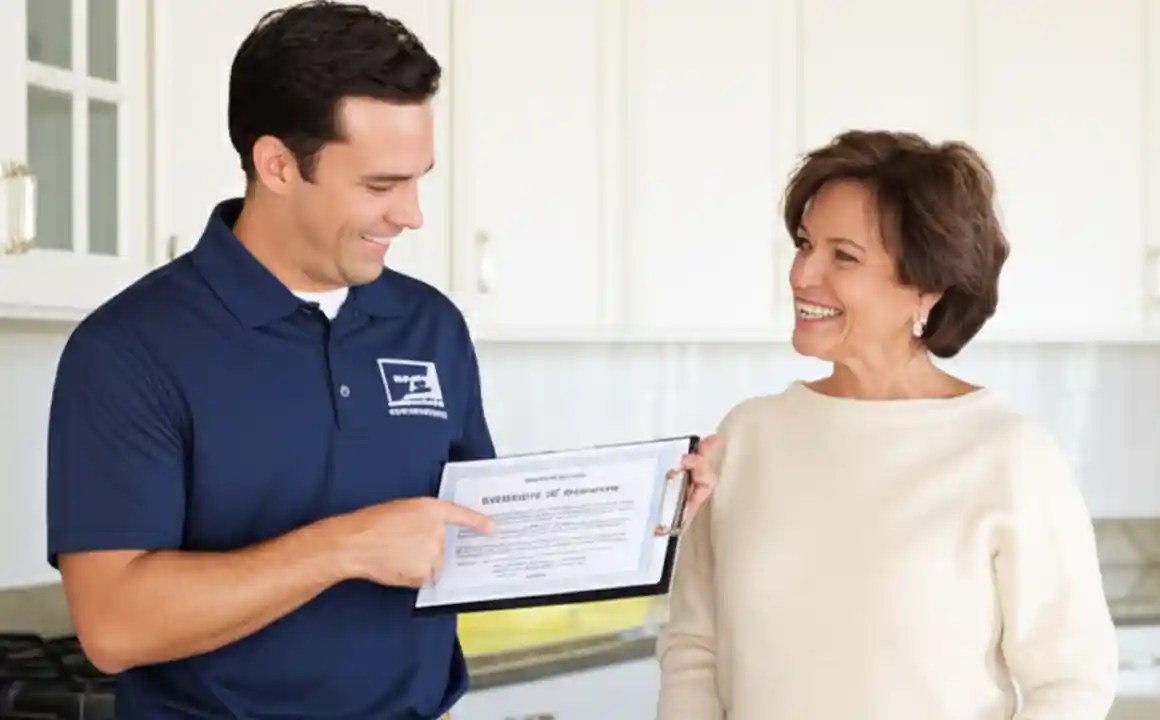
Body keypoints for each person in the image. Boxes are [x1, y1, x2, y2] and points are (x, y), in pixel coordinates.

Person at [44, 3, 717, 719]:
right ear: (276, 164)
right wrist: (342, 548)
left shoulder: (429, 325)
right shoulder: (129, 349)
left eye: (418, 178)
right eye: (380, 185)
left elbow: (471, 539)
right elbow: (115, 627)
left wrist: (647, 502)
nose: (413, 214)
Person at [655, 129, 1117, 719]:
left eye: (843, 256)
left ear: (928, 287)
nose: (802, 275)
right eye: (804, 244)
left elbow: (1071, 683)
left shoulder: (1008, 453)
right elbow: (696, 649)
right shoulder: (746, 437)